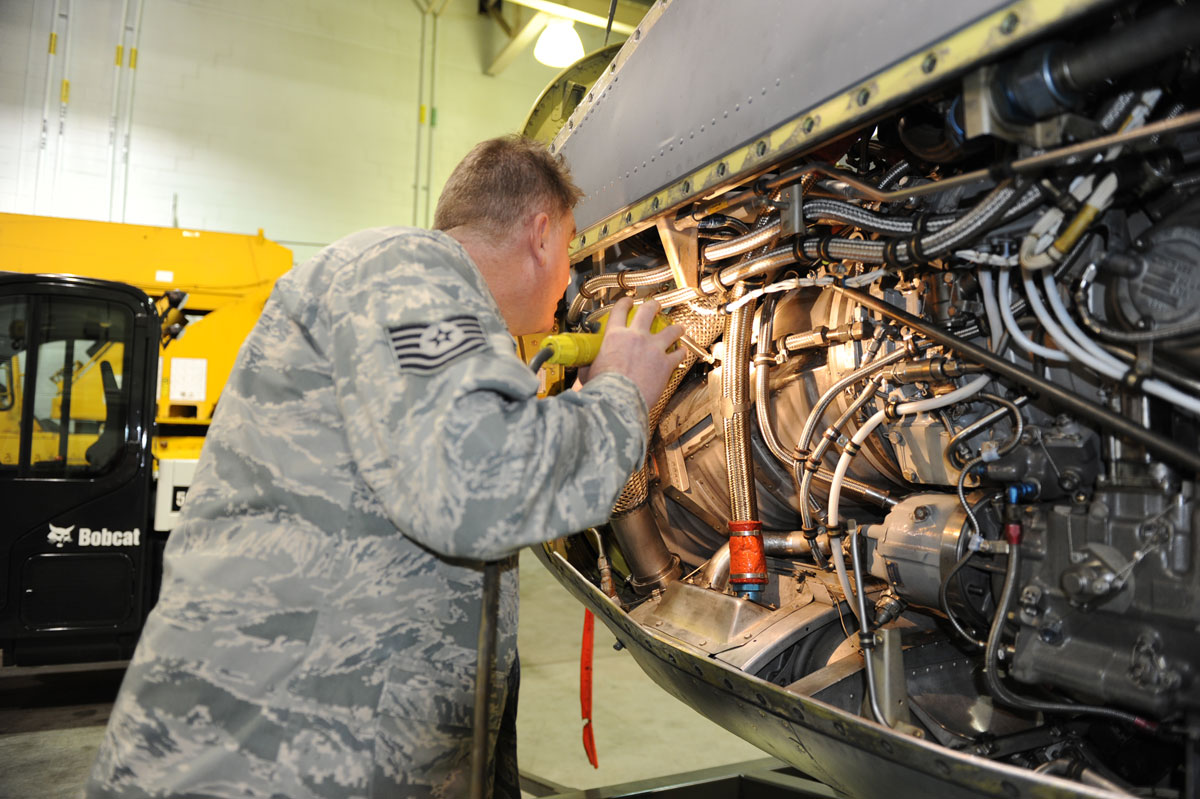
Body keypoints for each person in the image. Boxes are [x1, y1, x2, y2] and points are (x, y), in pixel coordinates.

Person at [84, 135, 684, 798]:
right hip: (268, 765)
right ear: (540, 233)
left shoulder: (422, 302)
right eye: (570, 248)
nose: (570, 277)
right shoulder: (406, 268)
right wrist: (621, 394)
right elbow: (475, 488)